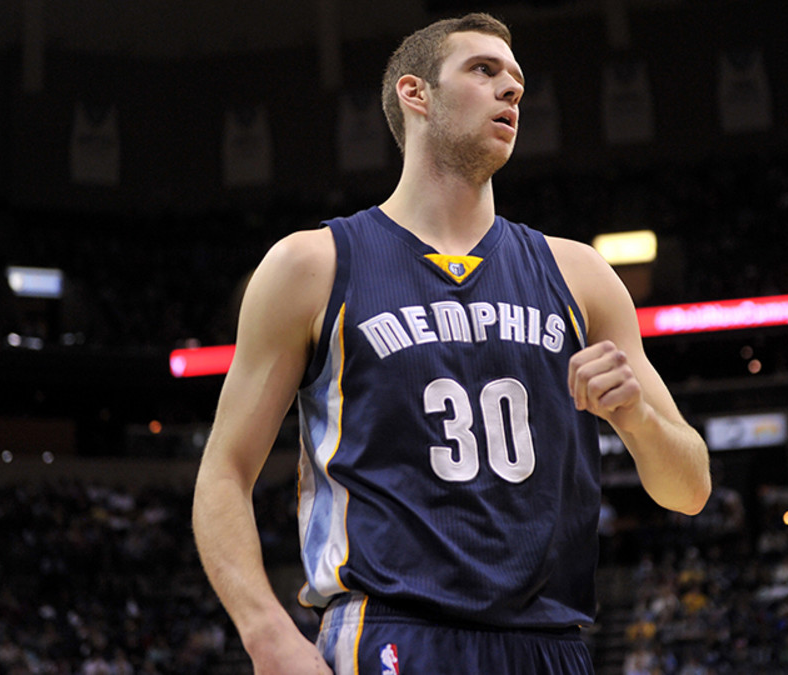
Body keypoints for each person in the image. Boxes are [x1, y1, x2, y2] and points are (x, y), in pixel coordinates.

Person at [191, 12, 710, 675]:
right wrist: (267, 633)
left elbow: (690, 486)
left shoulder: (581, 276)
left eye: (517, 80)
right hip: (392, 630)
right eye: (485, 71)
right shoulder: (312, 266)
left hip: (552, 642)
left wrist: (636, 417)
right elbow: (224, 471)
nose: (512, 90)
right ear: (417, 95)